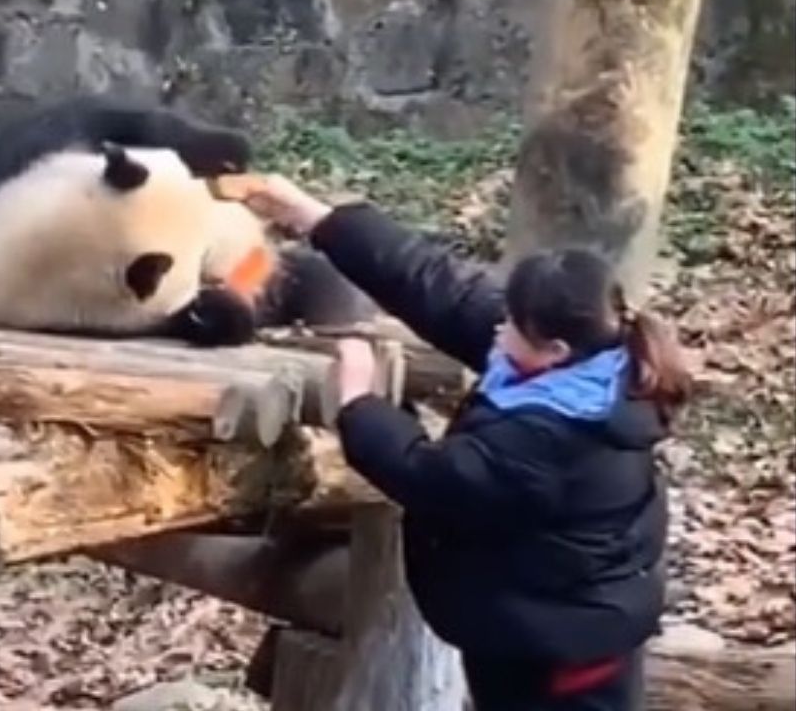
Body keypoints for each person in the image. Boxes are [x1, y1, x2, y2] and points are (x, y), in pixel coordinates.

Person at [240, 176, 693, 711]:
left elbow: (428, 475)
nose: (498, 332)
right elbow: (439, 287)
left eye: (512, 328)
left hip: (561, 651)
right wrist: (317, 218)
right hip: (545, 618)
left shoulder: (552, 438)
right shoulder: (594, 362)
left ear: (554, 349)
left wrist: (358, 405)